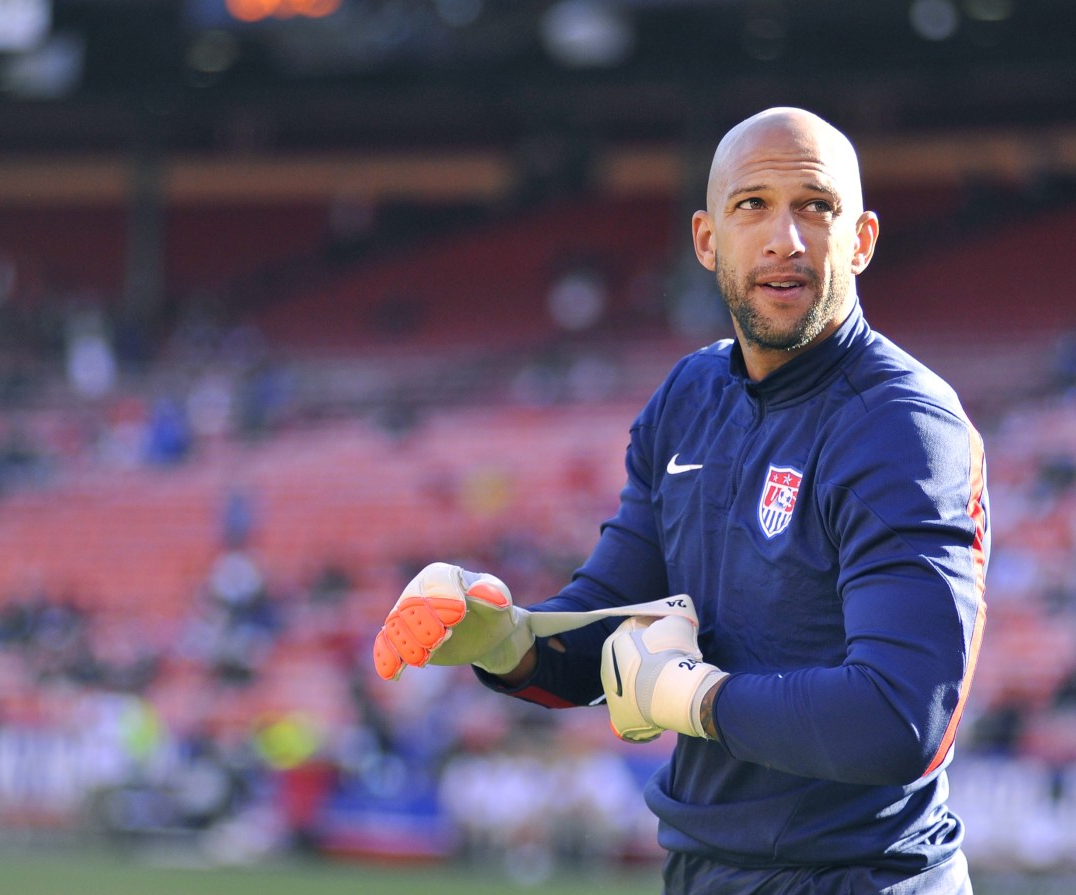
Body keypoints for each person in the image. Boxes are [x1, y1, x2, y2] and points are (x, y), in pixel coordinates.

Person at [372, 107, 990, 894]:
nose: (786, 238)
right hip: (703, 871)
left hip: (863, 877)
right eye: (752, 205)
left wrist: (695, 696)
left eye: (816, 206)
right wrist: (508, 639)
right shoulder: (689, 397)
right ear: (705, 239)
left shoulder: (905, 427)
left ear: (862, 239)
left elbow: (901, 720)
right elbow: (612, 620)